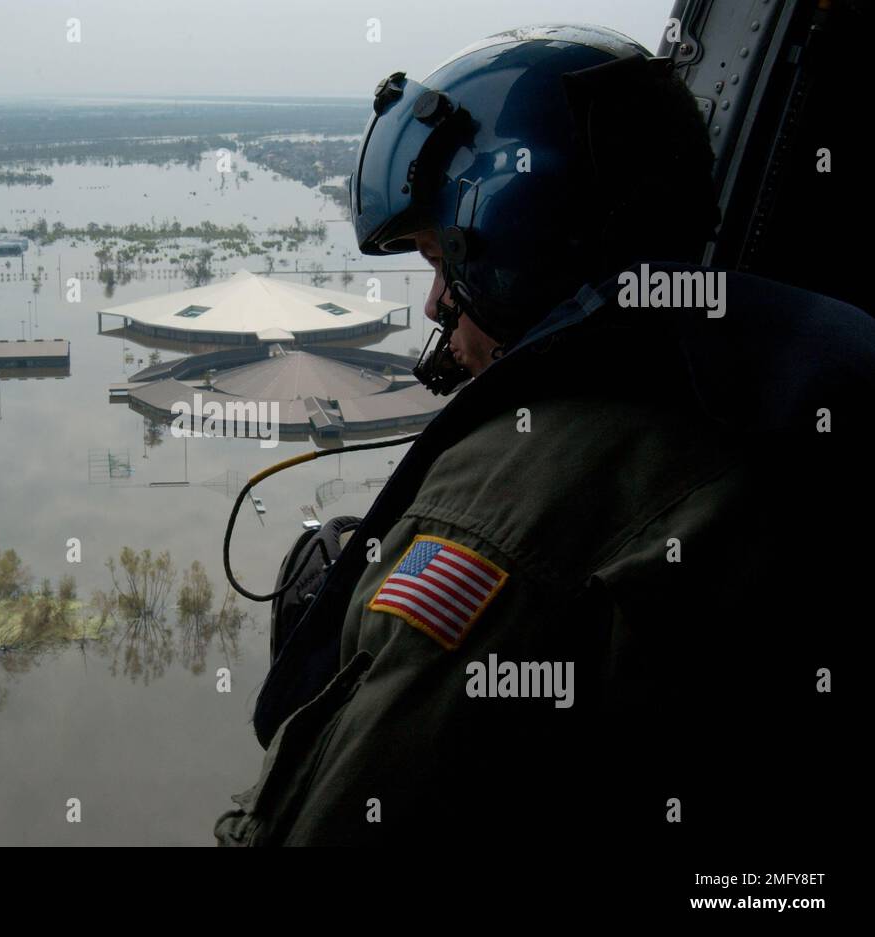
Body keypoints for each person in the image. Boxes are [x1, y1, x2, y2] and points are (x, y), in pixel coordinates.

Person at [215, 25, 872, 848]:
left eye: (437, 260)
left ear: (511, 241)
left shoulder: (494, 524)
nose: (433, 305)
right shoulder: (781, 381)